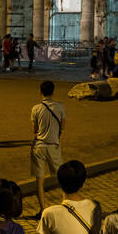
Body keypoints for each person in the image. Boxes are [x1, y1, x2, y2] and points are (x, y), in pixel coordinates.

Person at [31, 80, 66, 220]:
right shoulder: (60, 107)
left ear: (41, 91)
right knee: (62, 178)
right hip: (54, 146)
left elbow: (34, 130)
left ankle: (42, 210)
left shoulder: (36, 108)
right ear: (53, 91)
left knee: (39, 181)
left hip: (39, 146)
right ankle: (65, 206)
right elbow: (63, 126)